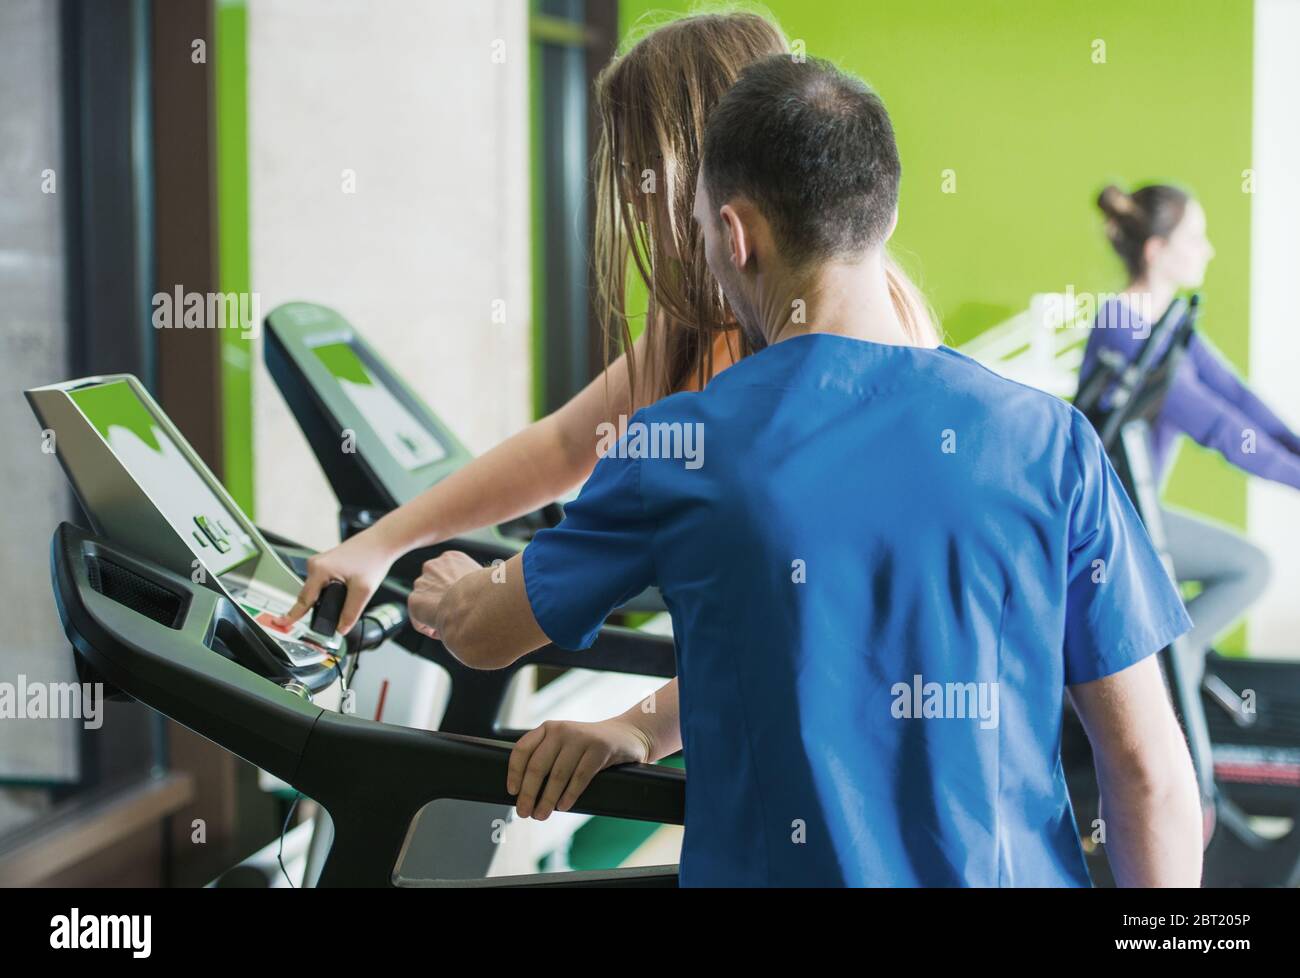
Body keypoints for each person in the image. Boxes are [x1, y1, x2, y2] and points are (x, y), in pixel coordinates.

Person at [406, 55, 1203, 887]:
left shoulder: (678, 448)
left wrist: (445, 588)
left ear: (737, 235)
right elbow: (1147, 772)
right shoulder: (1049, 441)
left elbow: (488, 632)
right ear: (883, 215)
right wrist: (641, 726)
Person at [274, 9, 936, 761]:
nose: (631, 193)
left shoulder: (759, 373)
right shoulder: (724, 319)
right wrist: (385, 540)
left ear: (698, 164)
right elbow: (565, 442)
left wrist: (632, 719)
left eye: (636, 168)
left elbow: (813, 624)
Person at [1084, 184, 1300, 659]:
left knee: (1193, 631)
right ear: (1157, 250)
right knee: (1249, 569)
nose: (1208, 249)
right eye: (1195, 237)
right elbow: (1220, 429)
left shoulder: (1167, 323)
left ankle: (1168, 670)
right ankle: (1158, 671)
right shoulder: (1125, 332)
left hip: (1136, 513)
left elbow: (1236, 397)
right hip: (1114, 522)